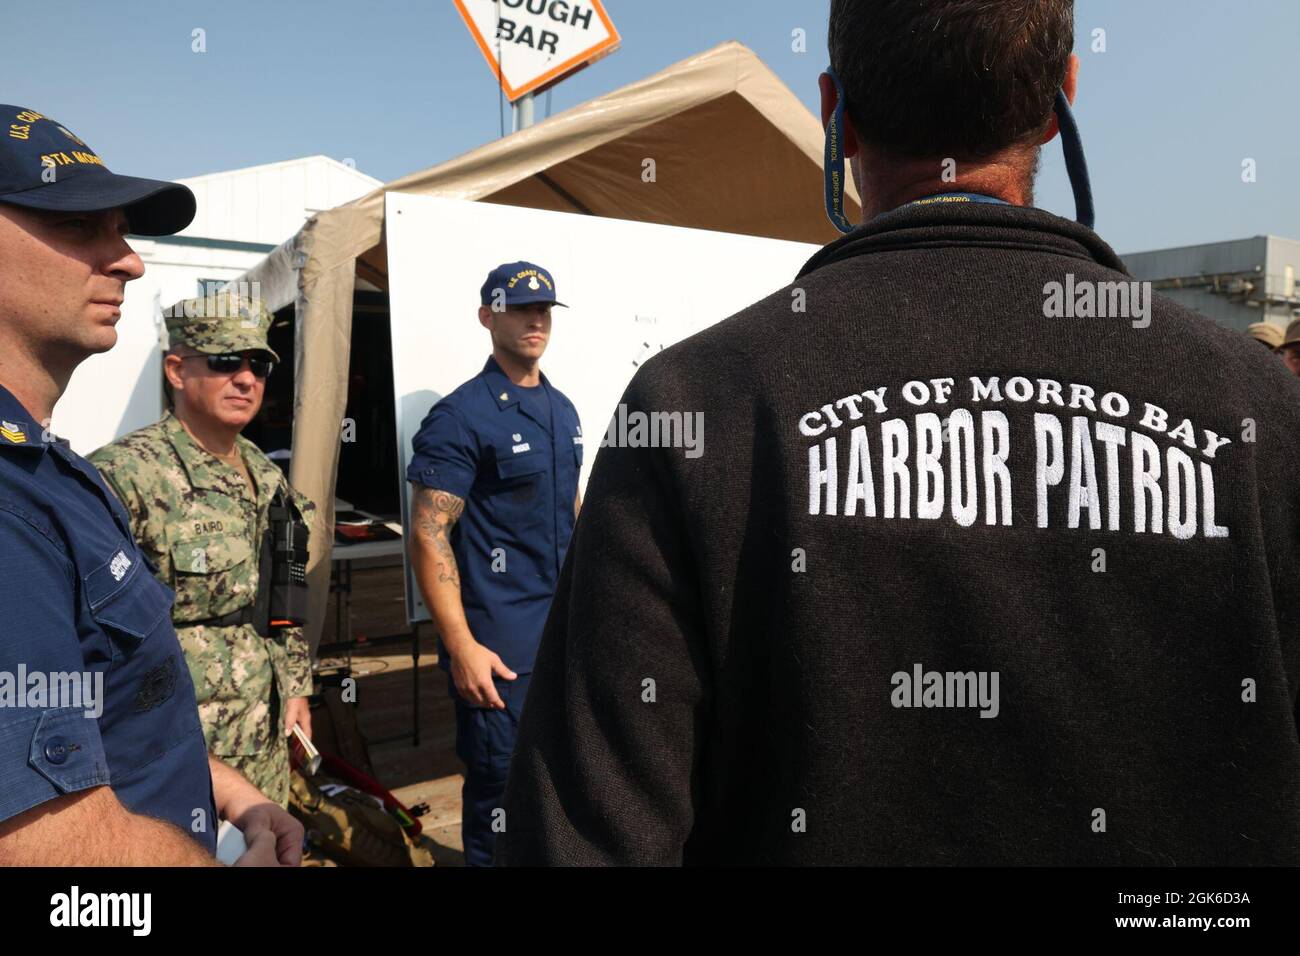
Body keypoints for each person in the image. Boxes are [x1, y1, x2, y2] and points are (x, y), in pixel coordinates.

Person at [496, 1, 1300, 865]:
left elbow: (582, 839)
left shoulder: (694, 402)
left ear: (831, 109)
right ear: (1066, 89)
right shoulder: (1255, 402)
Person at [0, 105, 301, 865]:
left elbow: (117, 712)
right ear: (178, 372)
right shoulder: (61, 488)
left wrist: (234, 796)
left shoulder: (56, 475)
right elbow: (52, 850)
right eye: (78, 228)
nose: (130, 260)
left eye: (258, 364)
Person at [89, 292, 315, 809]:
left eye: (258, 364)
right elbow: (92, 633)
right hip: (179, 746)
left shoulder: (266, 472)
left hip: (264, 731)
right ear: (176, 370)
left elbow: (287, 592)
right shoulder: (126, 475)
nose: (245, 378)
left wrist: (298, 688)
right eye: (223, 361)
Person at [406, 261, 581, 866]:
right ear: (488, 317)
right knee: (499, 796)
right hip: (499, 650)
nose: (535, 319)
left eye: (544, 310)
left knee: (559, 783)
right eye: (518, 308)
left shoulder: (563, 410)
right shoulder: (461, 416)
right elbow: (429, 535)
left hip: (563, 638)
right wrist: (461, 646)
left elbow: (571, 511)